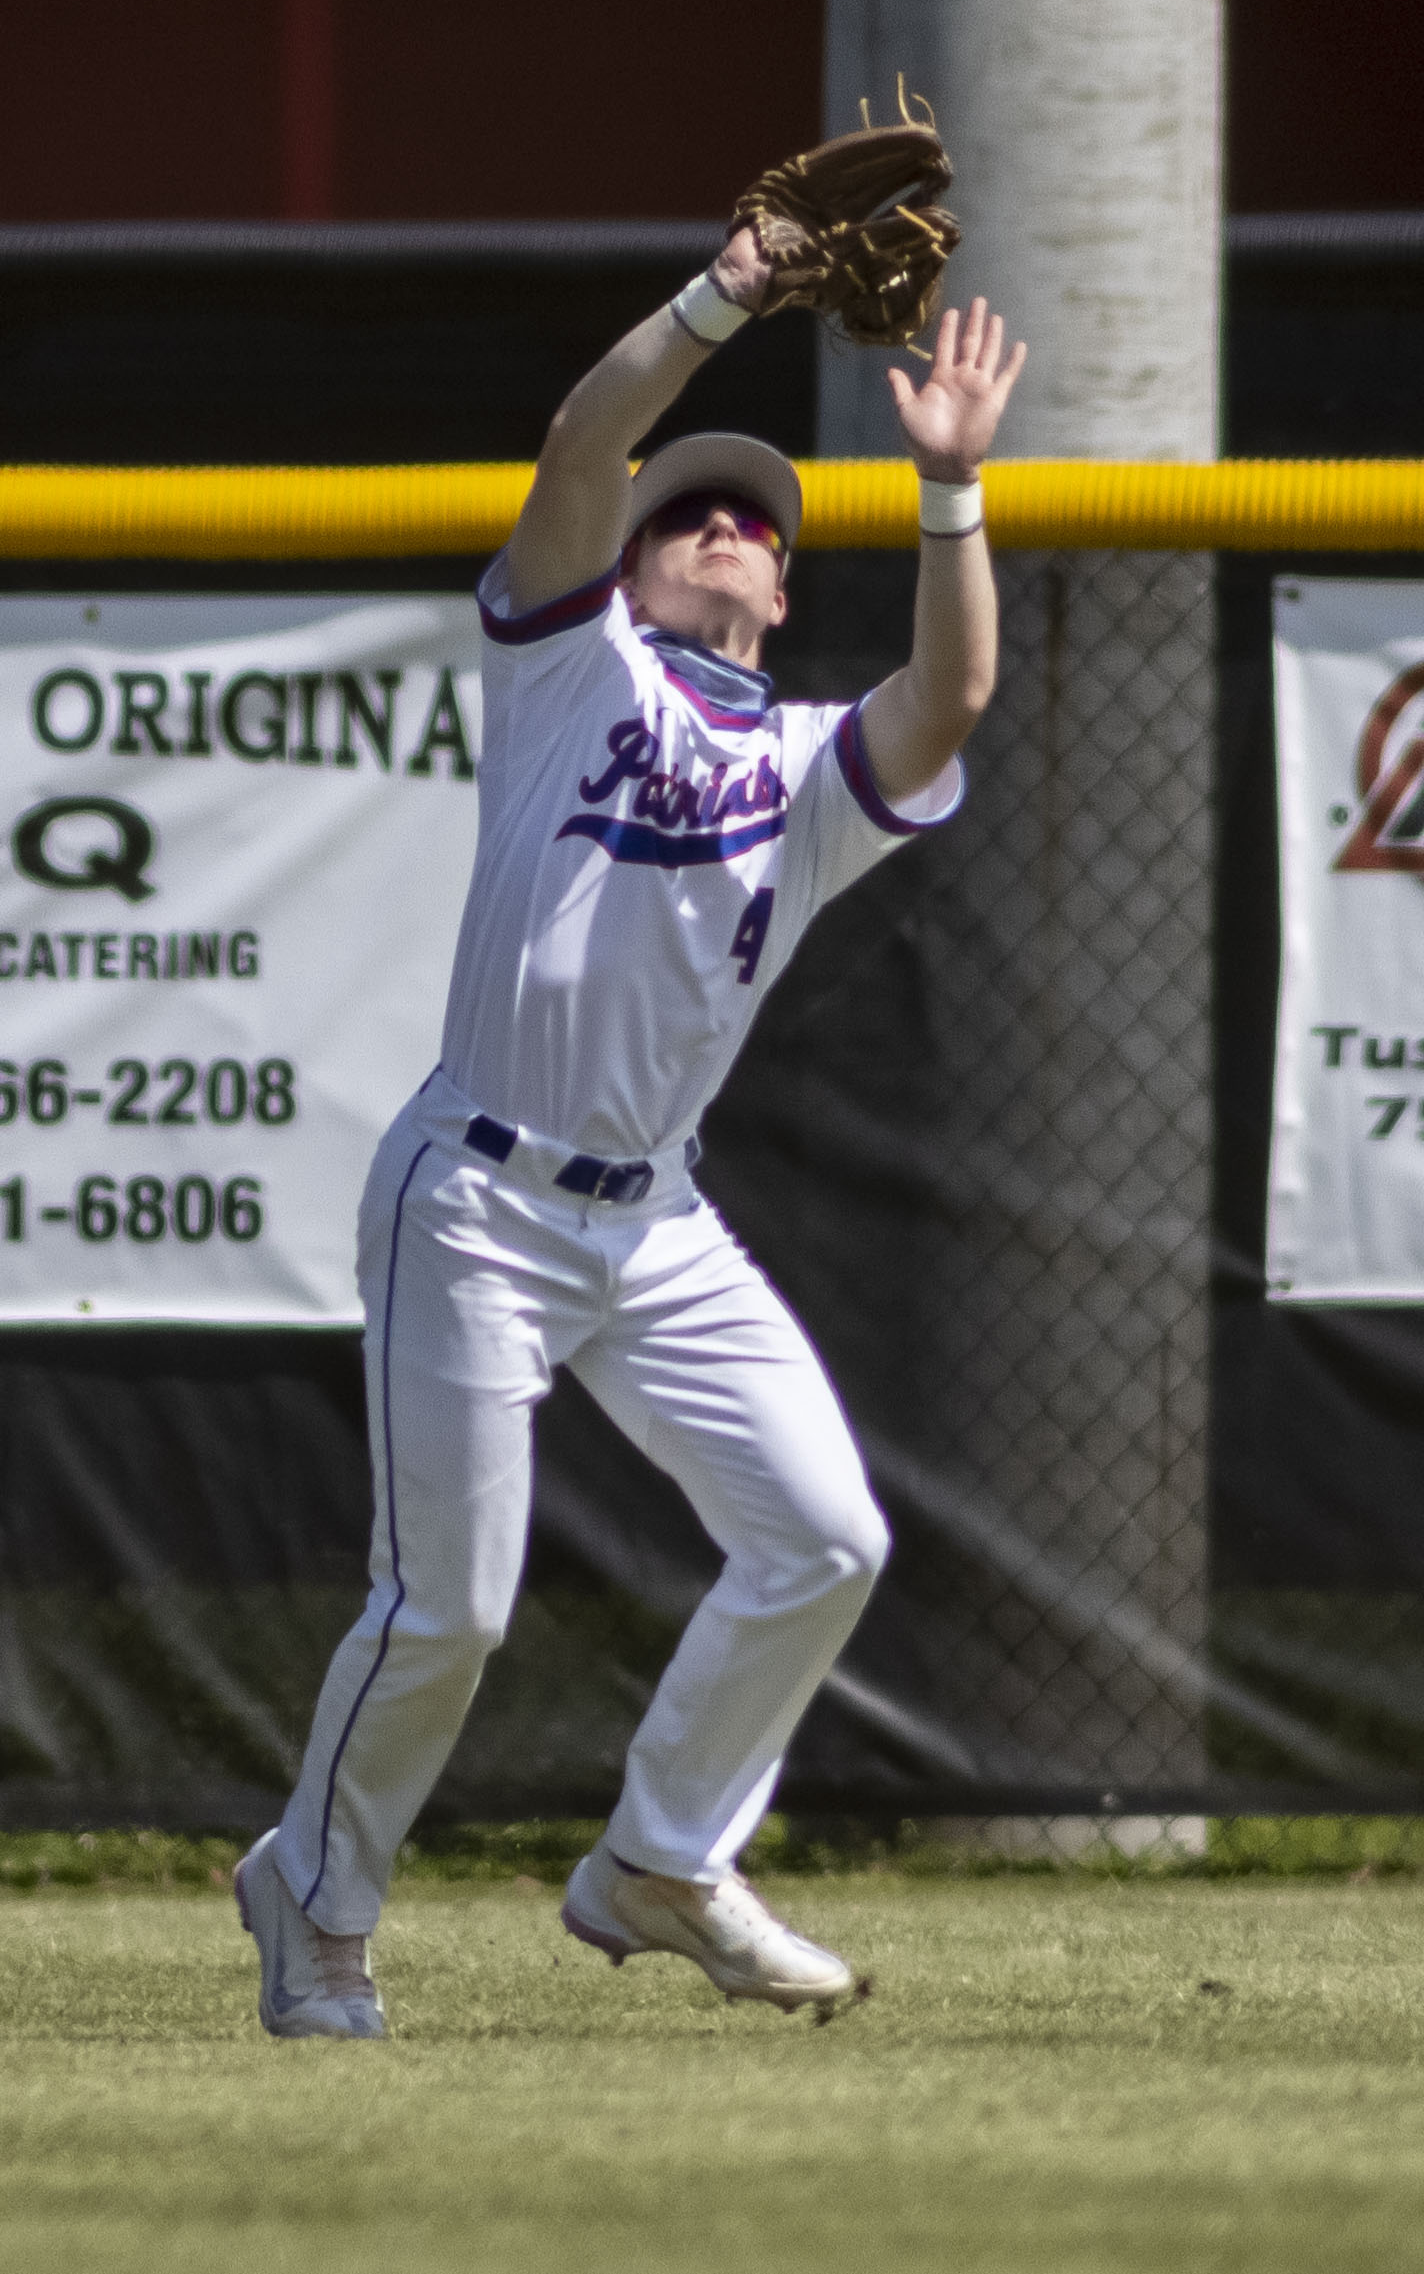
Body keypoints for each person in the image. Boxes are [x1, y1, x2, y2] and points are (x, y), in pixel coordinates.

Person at [232, 204, 1026, 2036]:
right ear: (634, 561)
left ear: (783, 593)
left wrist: (950, 489)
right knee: (449, 1608)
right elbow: (588, 443)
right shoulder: (565, 662)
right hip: (476, 1196)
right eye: (691, 516)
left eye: (753, 524)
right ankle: (316, 1901)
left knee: (824, 1536)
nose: (724, 528)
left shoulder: (805, 771)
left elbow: (955, 694)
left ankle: (663, 1857)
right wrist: (722, 298)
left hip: (655, 1221)